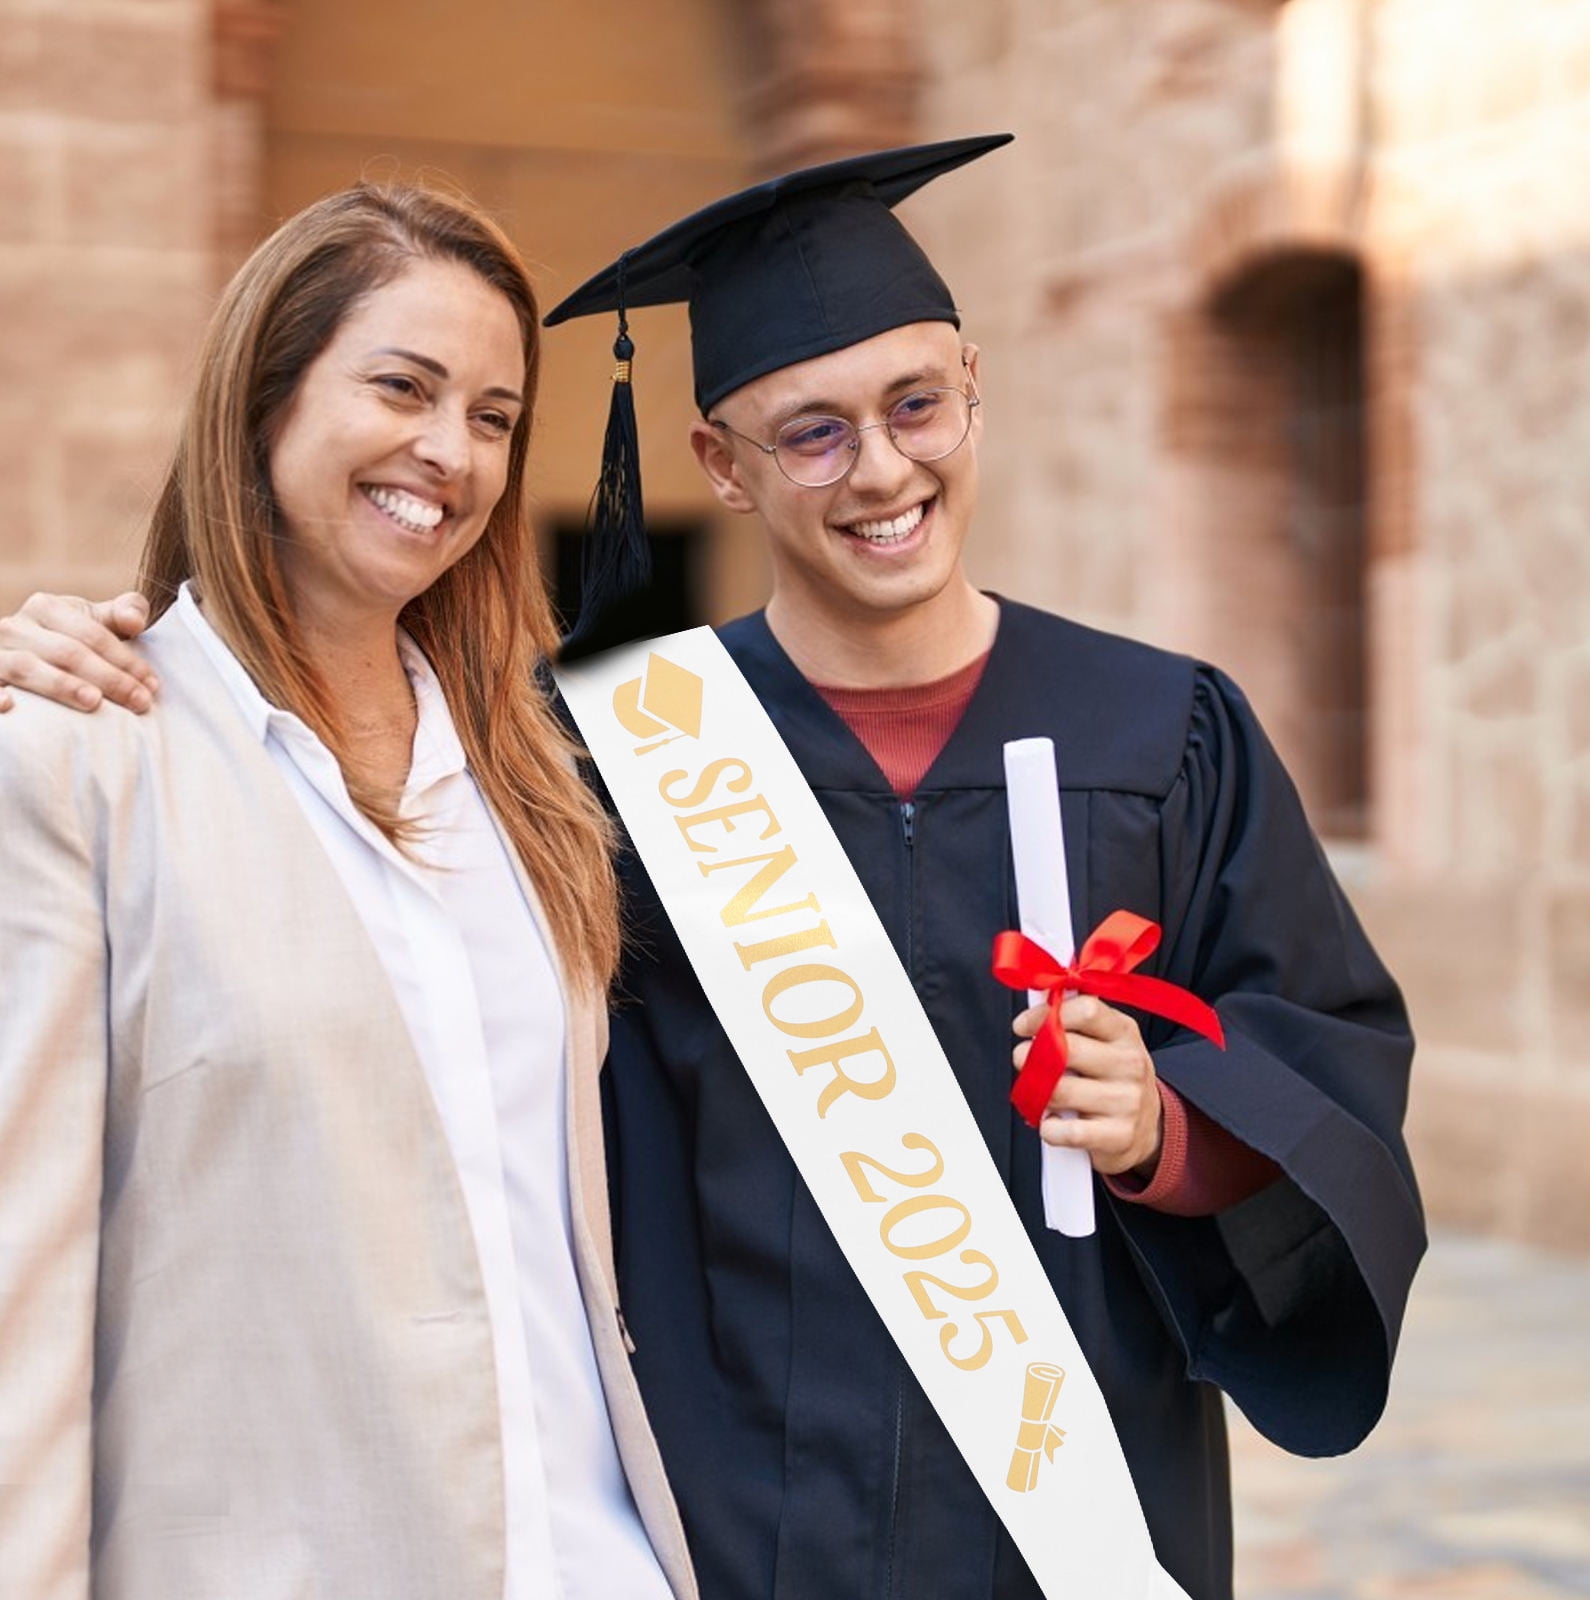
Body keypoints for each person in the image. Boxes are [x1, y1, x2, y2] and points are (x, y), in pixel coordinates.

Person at [1, 136, 1425, 1600]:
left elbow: (1326, 1052)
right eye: (810, 432)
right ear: (719, 469)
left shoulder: (1162, 731)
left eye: (919, 404)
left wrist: (1171, 1133)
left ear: (976, 392)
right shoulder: (594, 758)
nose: (882, 467)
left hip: (1072, 1505)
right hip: (732, 1521)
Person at [0, 183, 694, 1600]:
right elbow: (20, 1304)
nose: (448, 453)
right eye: (404, 388)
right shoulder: (82, 768)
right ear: (266, 397)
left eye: (495, 418)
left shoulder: (533, 787)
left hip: (590, 1566)